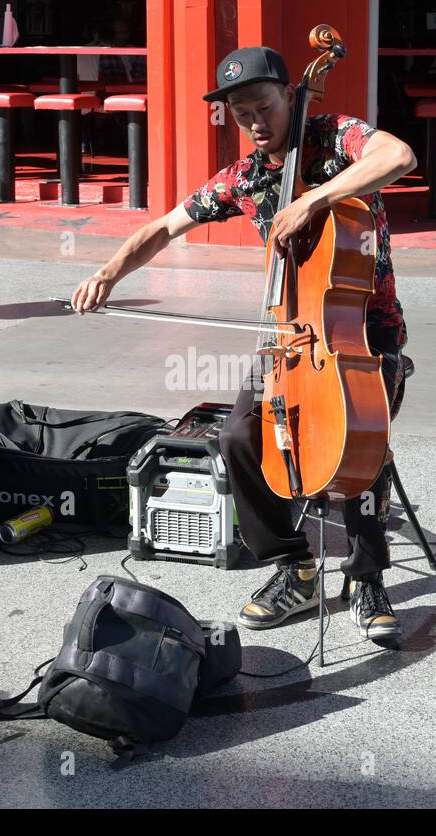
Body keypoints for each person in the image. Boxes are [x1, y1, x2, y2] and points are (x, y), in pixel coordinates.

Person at [71, 46, 416, 643]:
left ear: (290, 94)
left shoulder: (337, 138)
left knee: (361, 448)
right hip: (290, 336)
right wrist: (109, 271)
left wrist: (314, 197)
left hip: (364, 331)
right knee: (237, 437)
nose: (256, 122)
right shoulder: (246, 177)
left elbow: (400, 155)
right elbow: (163, 227)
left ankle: (367, 579)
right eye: (241, 113)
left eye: (264, 105)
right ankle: (294, 566)